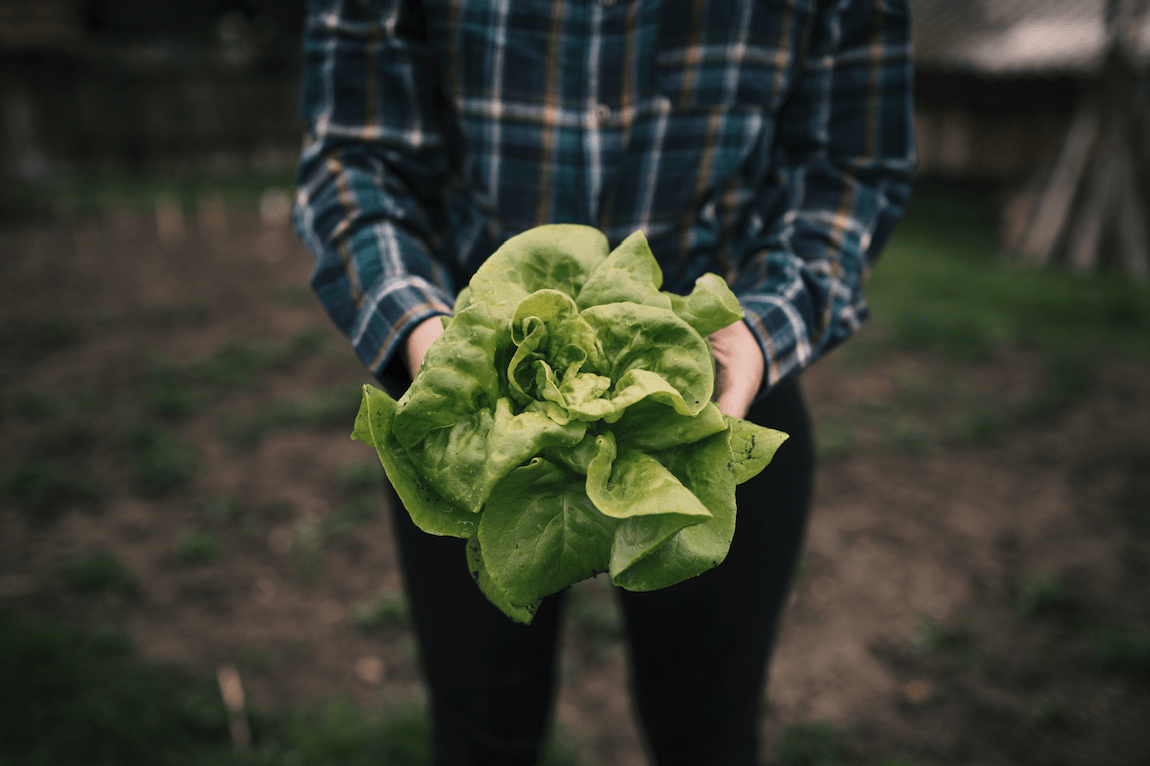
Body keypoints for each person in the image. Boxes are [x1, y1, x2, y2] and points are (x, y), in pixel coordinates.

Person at [292, 0, 915, 763]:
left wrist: (760, 328)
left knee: (710, 734)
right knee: (480, 733)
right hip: (466, 403)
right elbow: (354, 159)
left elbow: (849, 167)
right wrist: (429, 339)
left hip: (711, 400)